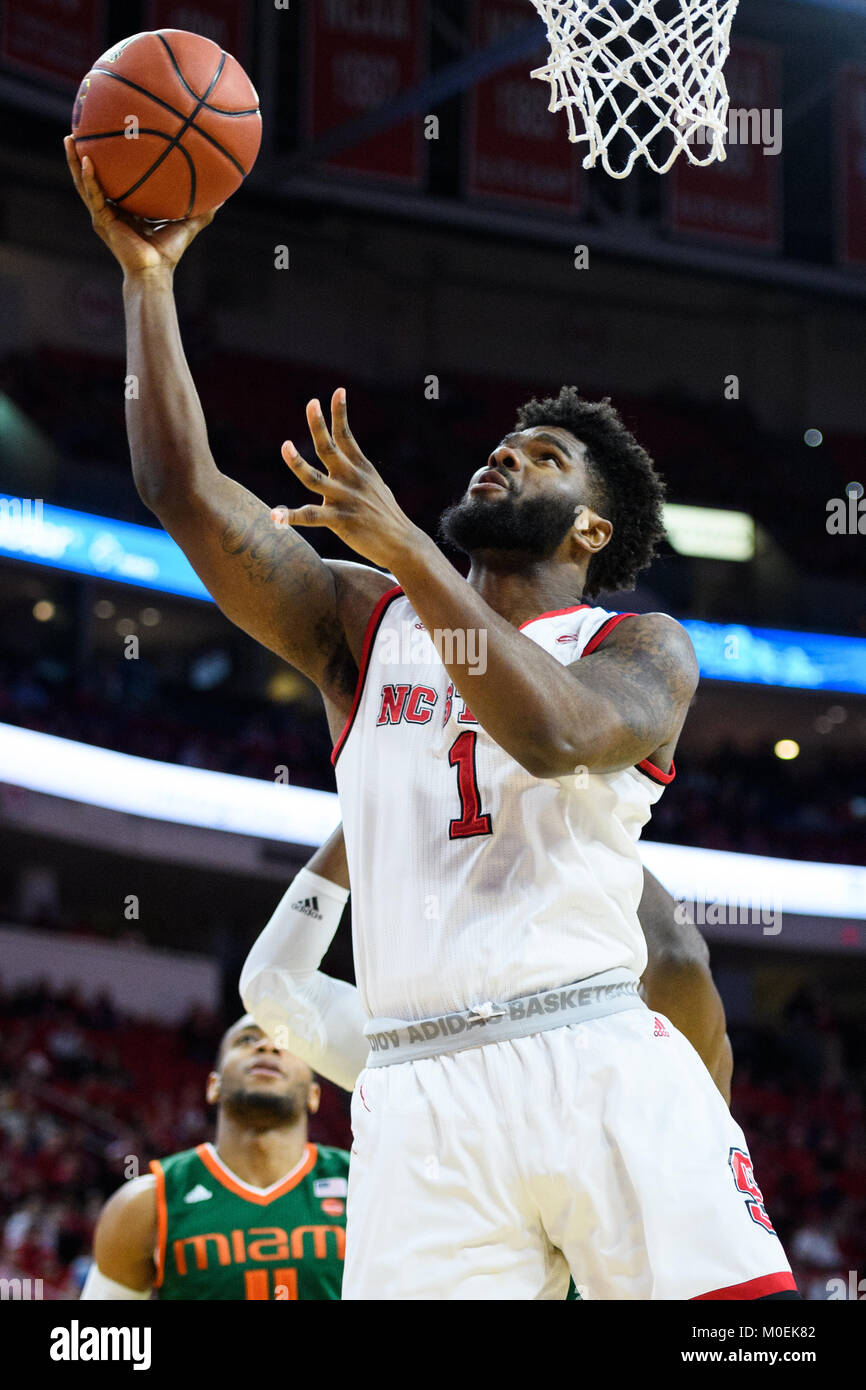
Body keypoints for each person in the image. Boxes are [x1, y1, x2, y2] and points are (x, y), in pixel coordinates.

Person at [65, 141, 796, 1300]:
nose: (504, 455)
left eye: (541, 457)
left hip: (593, 1053)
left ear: (590, 533)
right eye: (501, 444)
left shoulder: (635, 648)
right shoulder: (361, 623)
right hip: (414, 1094)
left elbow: (551, 736)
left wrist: (407, 543)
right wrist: (148, 282)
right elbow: (185, 495)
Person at [80, 1019, 348, 1300]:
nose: (268, 1046)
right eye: (246, 1041)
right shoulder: (145, 1202)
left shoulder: (362, 1186)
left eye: (288, 1043)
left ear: (314, 1095)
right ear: (213, 1085)